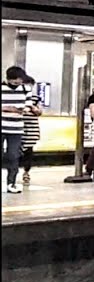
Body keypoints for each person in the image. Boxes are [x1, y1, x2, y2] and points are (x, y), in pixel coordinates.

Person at [2, 66, 34, 194]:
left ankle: (11, 183)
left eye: (20, 81)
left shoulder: (26, 89)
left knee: (13, 155)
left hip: (16, 128)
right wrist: (14, 109)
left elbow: (27, 107)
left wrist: (8, 108)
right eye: (16, 81)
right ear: (9, 79)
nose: (19, 83)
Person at [19, 74, 42, 184]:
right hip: (17, 127)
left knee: (28, 152)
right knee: (15, 151)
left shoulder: (35, 98)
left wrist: (32, 107)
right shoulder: (16, 97)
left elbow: (39, 112)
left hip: (31, 128)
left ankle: (26, 172)